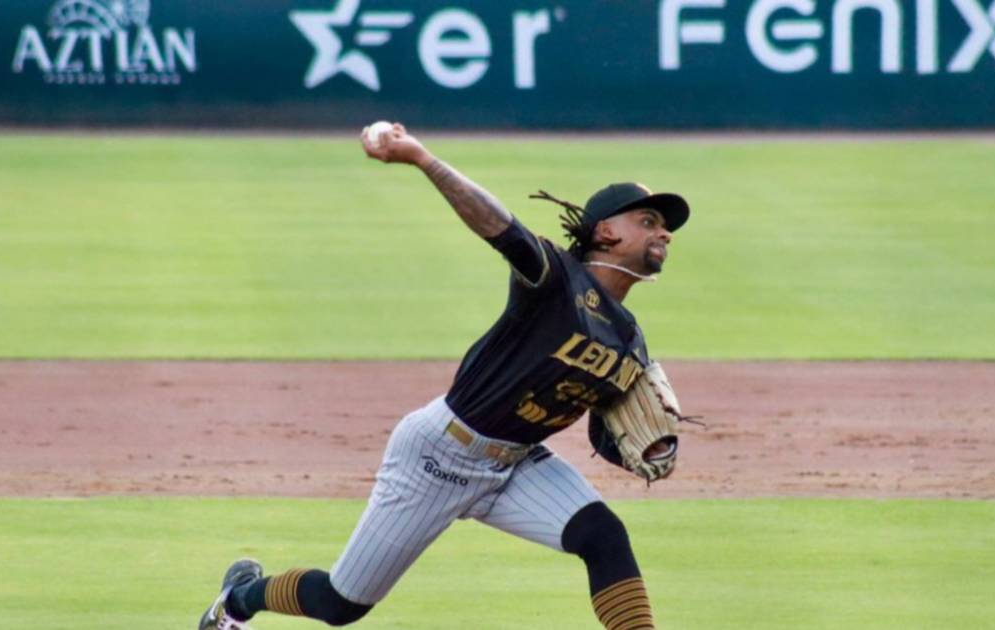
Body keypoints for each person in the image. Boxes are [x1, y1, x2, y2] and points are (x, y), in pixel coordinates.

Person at [198, 123, 689, 630]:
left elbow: (603, 431)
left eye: (664, 226)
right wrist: (421, 158)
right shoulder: (556, 279)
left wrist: (650, 453)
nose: (664, 232)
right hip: (437, 456)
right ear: (607, 231)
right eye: (648, 220)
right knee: (342, 605)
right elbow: (499, 226)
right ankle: (239, 600)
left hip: (518, 466)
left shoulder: (630, 340)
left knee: (603, 536)